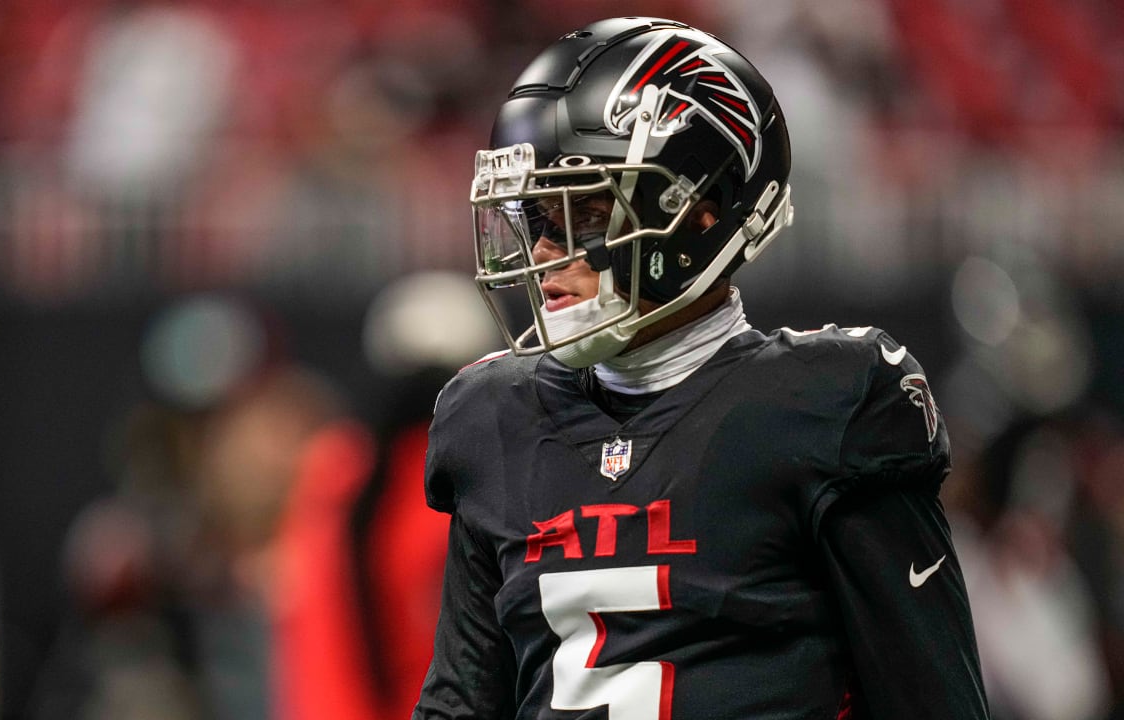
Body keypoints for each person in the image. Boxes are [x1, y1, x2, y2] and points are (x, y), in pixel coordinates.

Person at [412, 16, 989, 720]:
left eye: (588, 211)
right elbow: (461, 704)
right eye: (535, 219)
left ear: (703, 212)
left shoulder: (825, 405)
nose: (544, 252)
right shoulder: (491, 417)